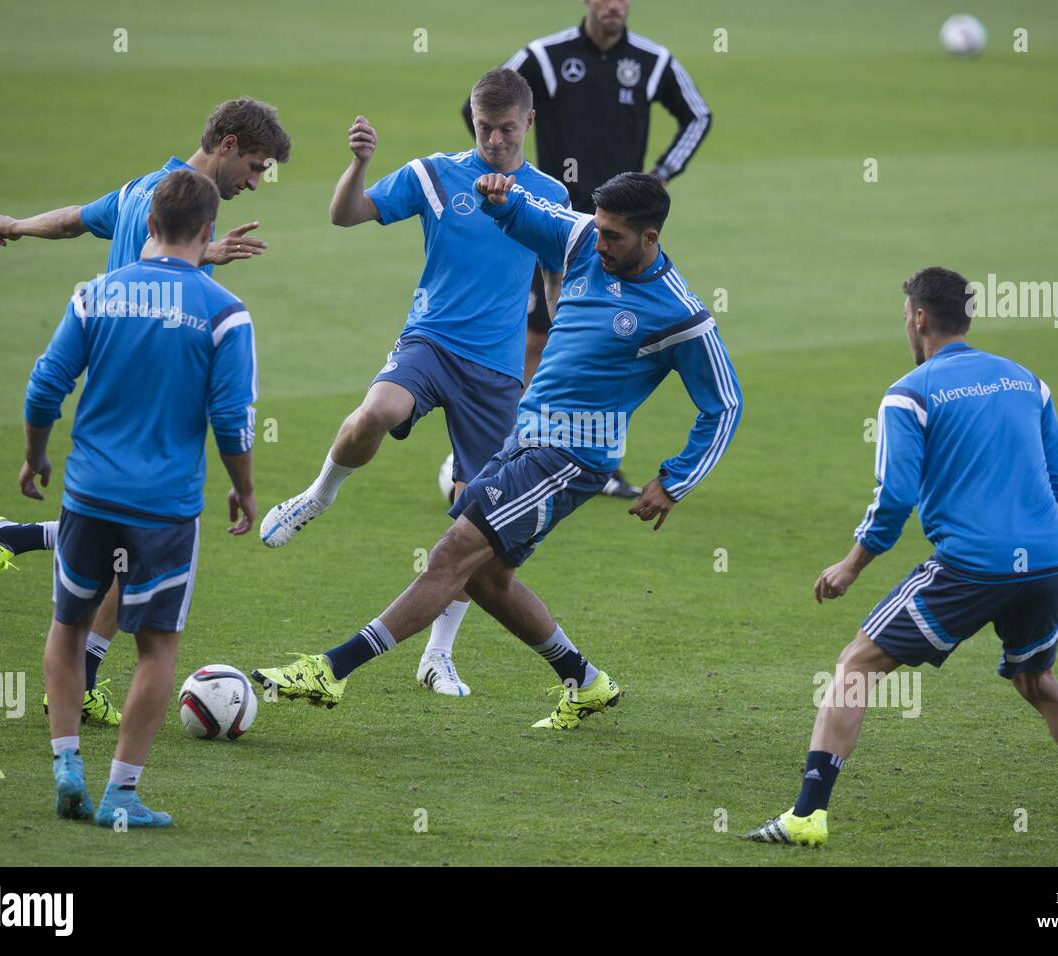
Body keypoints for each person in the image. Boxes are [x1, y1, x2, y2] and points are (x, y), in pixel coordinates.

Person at [251, 171, 741, 729]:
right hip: (525, 437)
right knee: (486, 578)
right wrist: (503, 201)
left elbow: (724, 404)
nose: (598, 243)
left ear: (650, 238)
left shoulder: (679, 313)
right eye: (599, 230)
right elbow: (537, 218)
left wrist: (674, 480)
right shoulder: (585, 240)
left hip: (569, 457)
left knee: (450, 556)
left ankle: (331, 670)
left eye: (614, 237)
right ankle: (586, 682)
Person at [745, 267, 1058, 850]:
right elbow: (1057, 480)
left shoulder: (909, 393)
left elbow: (895, 497)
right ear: (967, 317)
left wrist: (852, 564)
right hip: (1048, 557)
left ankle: (807, 816)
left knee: (856, 666)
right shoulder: (1026, 381)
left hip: (970, 564)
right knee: (1039, 683)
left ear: (917, 318)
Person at [0, 97, 289, 726]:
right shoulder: (178, 214)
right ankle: (13, 549)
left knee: (118, 540)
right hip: (151, 399)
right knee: (143, 538)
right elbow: (161, 268)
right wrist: (202, 259)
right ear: (225, 143)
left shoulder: (147, 189)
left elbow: (76, 222)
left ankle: (18, 562)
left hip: (109, 402)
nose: (253, 181)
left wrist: (17, 224)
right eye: (252, 166)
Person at [256, 69, 568, 698]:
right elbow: (347, 215)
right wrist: (358, 165)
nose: (496, 140)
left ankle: (437, 656)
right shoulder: (433, 176)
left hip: (499, 374)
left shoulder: (549, 195)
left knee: (474, 527)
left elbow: (556, 279)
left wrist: (563, 346)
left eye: (508, 128)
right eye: (485, 129)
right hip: (430, 344)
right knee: (374, 412)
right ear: (472, 124)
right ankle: (318, 494)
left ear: (528, 123)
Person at [25, 169, 258, 826]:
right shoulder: (224, 312)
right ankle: (120, 794)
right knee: (157, 648)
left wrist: (34, 455)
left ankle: (67, 763)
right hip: (164, 509)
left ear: (148, 226)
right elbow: (232, 418)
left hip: (89, 494)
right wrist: (242, 490)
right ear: (208, 234)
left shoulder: (94, 295)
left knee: (68, 626)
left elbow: (45, 386)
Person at [461, 0, 713, 498]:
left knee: (608, 341)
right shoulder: (546, 57)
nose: (613, 7)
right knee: (538, 337)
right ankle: (515, 448)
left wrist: (661, 174)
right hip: (556, 226)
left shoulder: (651, 61)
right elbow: (484, 109)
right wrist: (520, 174)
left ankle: (589, 457)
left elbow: (698, 116)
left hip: (618, 233)